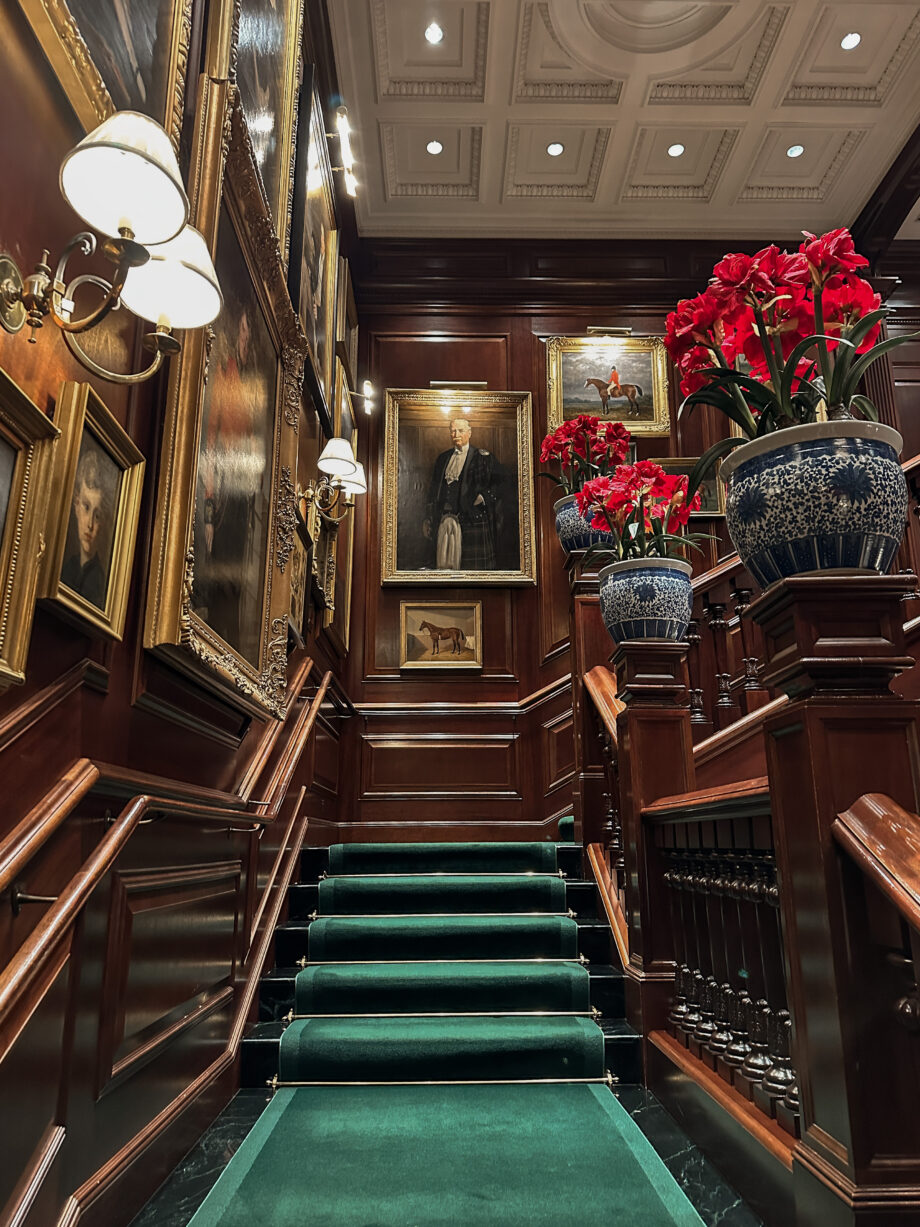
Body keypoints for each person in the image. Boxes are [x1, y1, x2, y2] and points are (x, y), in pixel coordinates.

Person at [423, 416, 501, 570]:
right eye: (453, 431)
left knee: (472, 570)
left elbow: (499, 484)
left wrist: (484, 497)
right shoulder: (443, 458)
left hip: (472, 521)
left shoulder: (483, 457)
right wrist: (428, 518)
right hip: (443, 520)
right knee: (443, 567)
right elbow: (433, 491)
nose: (456, 434)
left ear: (469, 433)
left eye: (460, 430)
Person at [62, 443, 112, 609]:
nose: (90, 524)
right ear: (76, 504)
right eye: (86, 507)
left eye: (97, 516)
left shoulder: (100, 584)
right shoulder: (65, 568)